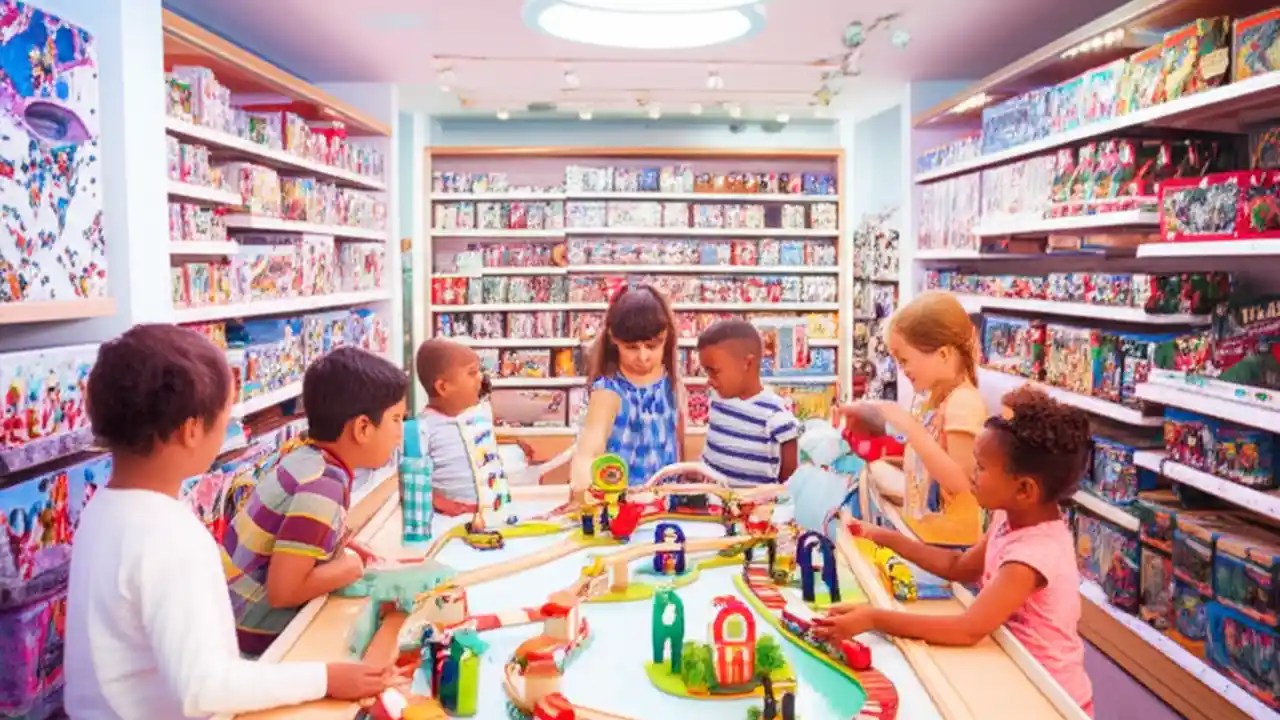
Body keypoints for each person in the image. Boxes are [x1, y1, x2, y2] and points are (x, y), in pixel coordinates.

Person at [65, 325, 391, 719]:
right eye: (227, 416)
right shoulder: (170, 537)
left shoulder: (104, 510)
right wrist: (325, 677)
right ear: (191, 430)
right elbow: (205, 689)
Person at [814, 387, 1095, 716]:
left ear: (1024, 489)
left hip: (1048, 697)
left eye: (981, 467)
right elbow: (958, 565)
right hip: (1009, 666)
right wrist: (883, 537)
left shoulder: (1033, 555)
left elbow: (967, 629)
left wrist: (875, 618)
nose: (972, 475)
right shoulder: (1008, 519)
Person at [222, 346, 408, 656]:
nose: (400, 434)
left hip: (234, 624)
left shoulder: (306, 458)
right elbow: (285, 592)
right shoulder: (322, 486)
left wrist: (335, 548)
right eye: (396, 420)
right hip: (259, 644)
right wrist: (351, 565)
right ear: (362, 428)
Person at [836, 290, 986, 547]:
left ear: (943, 355)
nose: (902, 371)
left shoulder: (964, 403)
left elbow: (962, 481)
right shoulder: (933, 401)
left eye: (905, 360)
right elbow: (928, 466)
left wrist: (906, 423)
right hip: (923, 538)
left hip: (952, 550)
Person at [570, 284, 684, 495]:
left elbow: (679, 441)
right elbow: (589, 450)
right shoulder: (609, 390)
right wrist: (582, 490)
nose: (643, 357)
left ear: (667, 336)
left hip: (667, 503)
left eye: (652, 346)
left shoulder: (671, 381)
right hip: (621, 505)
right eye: (631, 347)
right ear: (614, 339)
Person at [696, 319, 799, 484]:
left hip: (754, 507)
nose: (709, 381)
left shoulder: (774, 416)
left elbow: (790, 482)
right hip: (712, 502)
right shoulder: (717, 399)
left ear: (747, 363)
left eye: (714, 371)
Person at [411, 338, 486, 516]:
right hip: (451, 518)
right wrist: (437, 501)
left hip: (488, 510)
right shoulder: (422, 429)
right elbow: (409, 480)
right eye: (472, 373)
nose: (481, 377)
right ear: (443, 387)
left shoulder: (475, 416)